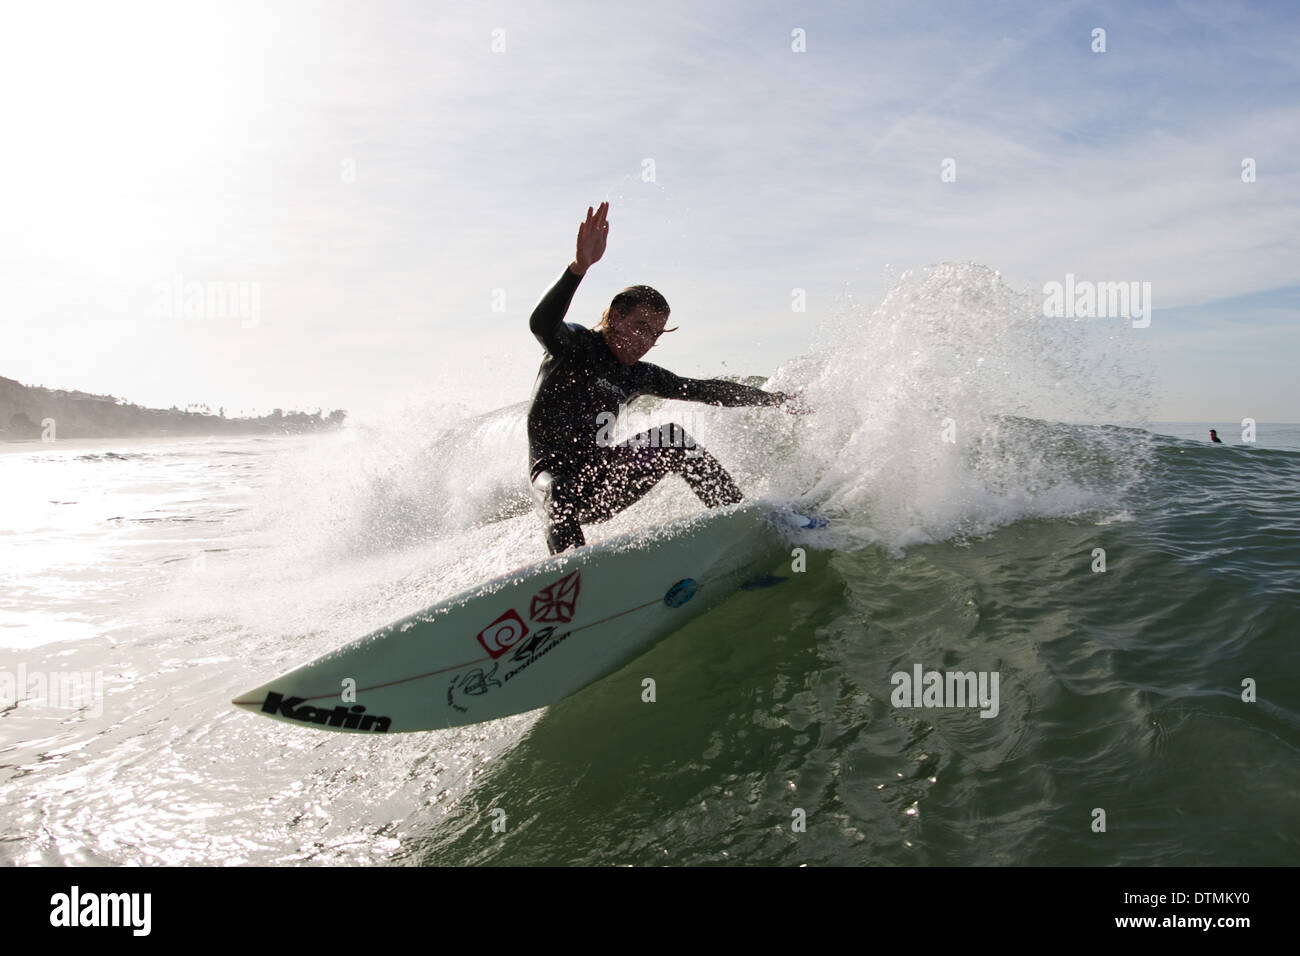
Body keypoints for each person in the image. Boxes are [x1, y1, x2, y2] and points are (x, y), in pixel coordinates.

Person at [526, 201, 801, 554]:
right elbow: (541, 323)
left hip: (601, 482)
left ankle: (738, 523)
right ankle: (574, 579)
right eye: (640, 326)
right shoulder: (575, 346)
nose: (646, 340)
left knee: (673, 439)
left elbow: (705, 390)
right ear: (613, 318)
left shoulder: (638, 375)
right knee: (560, 488)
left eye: (655, 334)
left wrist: (774, 399)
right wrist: (578, 268)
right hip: (552, 482)